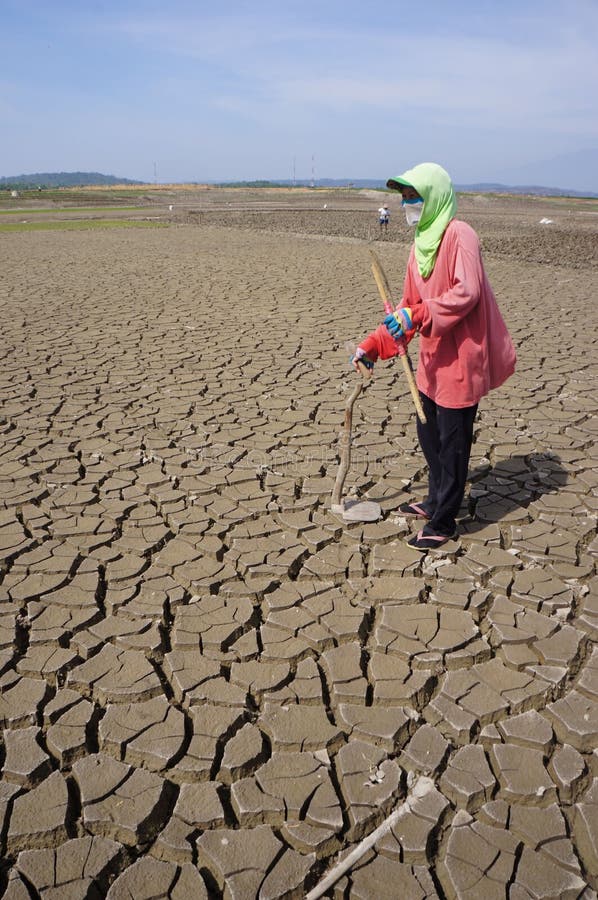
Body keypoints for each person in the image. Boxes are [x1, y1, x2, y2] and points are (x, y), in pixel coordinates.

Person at [353, 162, 516, 551]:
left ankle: (444, 521)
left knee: (452, 443)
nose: (407, 203)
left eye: (414, 196)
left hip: (460, 359)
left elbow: (466, 292)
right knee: (429, 435)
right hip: (431, 362)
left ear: (435, 196)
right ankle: (433, 499)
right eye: (404, 197)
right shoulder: (419, 248)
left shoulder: (460, 235)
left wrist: (418, 314)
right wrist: (374, 344)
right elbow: (407, 307)